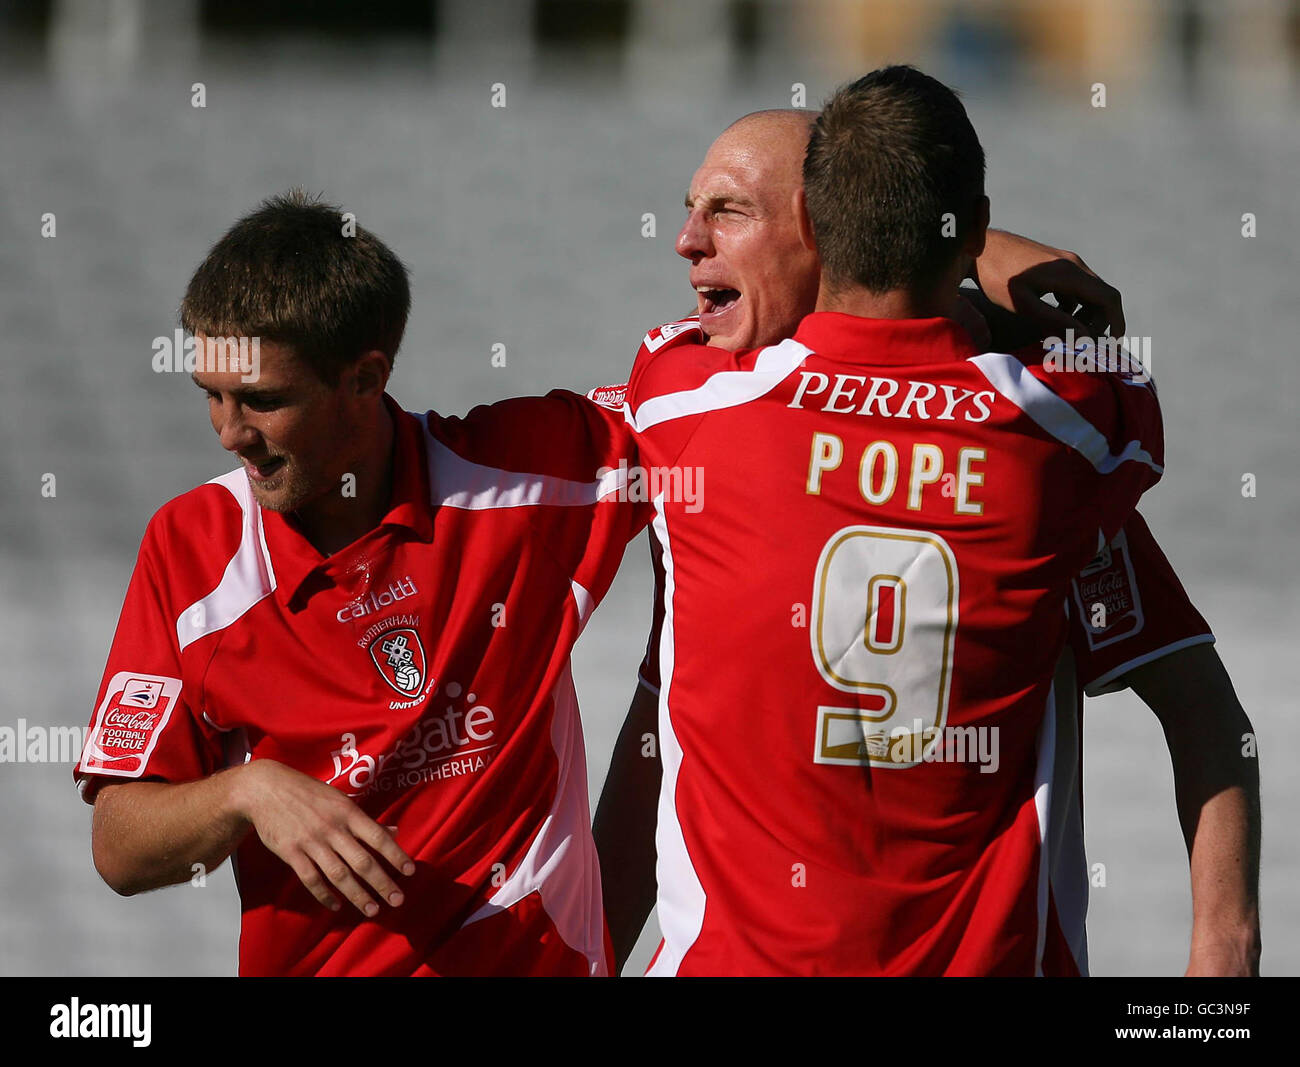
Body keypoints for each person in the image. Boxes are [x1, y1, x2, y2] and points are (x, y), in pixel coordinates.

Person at [596, 109, 1259, 976]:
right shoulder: (1055, 458)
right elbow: (1111, 364)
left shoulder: (686, 416)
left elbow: (1195, 698)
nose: (687, 240)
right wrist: (1224, 961)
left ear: (814, 228)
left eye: (728, 210)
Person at [75, 191, 649, 976]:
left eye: (262, 400)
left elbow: (711, 402)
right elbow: (118, 845)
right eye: (210, 394)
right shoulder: (192, 548)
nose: (228, 432)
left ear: (365, 378)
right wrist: (248, 793)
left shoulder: (524, 476)